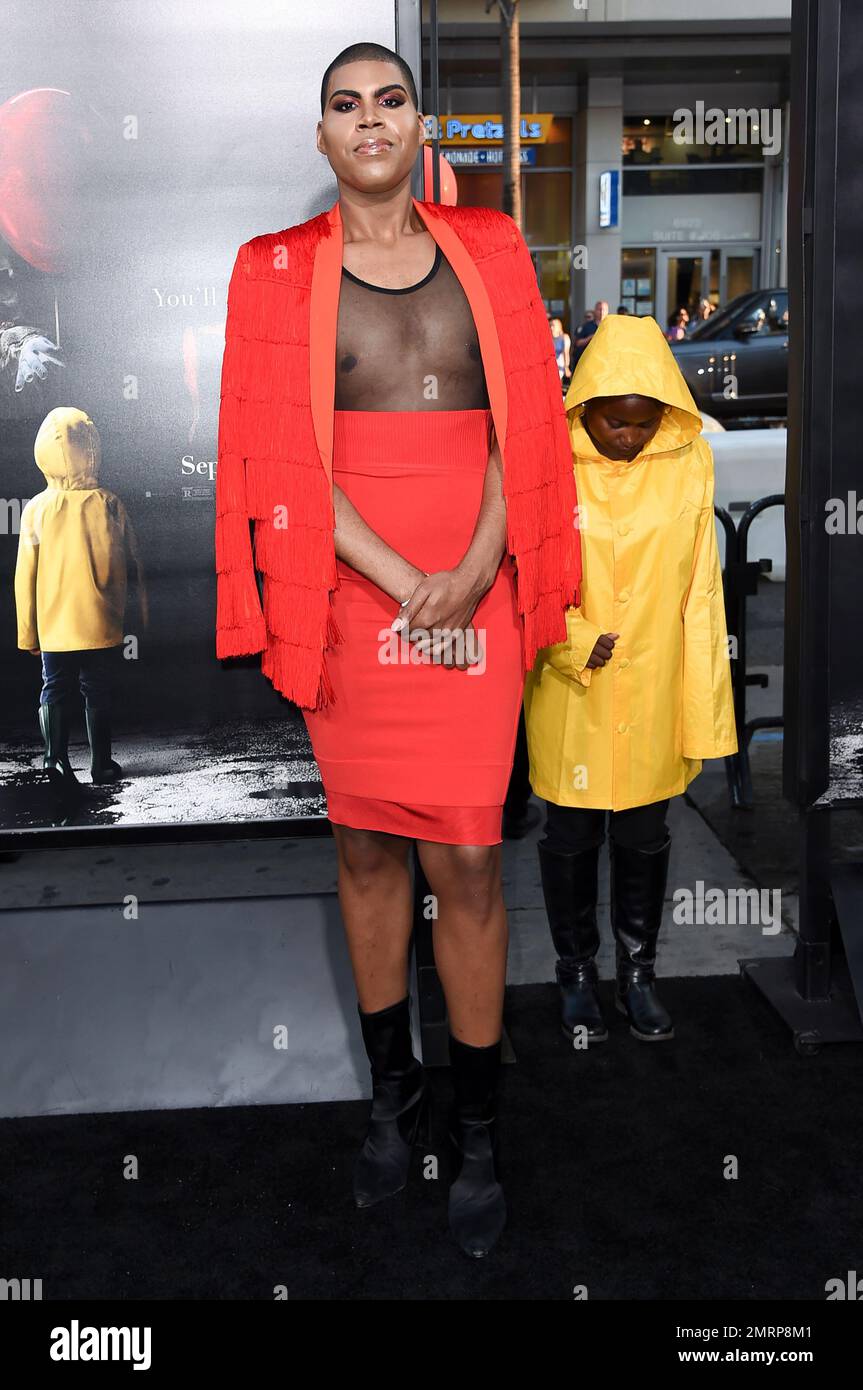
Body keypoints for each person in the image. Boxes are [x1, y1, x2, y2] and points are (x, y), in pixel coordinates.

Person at [214, 42, 581, 1258]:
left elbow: (524, 423)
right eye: (342, 104)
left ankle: (477, 1132)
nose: (367, 119)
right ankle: (391, 1102)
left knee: (470, 861)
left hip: (473, 589)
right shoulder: (272, 271)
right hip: (349, 593)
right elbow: (279, 459)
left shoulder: (490, 250)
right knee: (368, 850)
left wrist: (478, 564)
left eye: (389, 99)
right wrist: (393, 578)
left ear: (421, 126)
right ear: (320, 138)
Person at [523, 314, 737, 1045]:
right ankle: (575, 972)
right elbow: (523, 566)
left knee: (645, 833)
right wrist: (572, 641)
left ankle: (637, 972)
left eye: (643, 424)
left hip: (651, 682)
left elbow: (700, 586)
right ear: (584, 406)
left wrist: (701, 702)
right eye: (616, 422)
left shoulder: (687, 459)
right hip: (571, 686)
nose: (629, 436)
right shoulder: (547, 460)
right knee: (572, 833)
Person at [14, 407, 148, 816]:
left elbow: (25, 577)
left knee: (54, 688)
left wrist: (27, 634)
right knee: (98, 689)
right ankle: (101, 764)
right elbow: (135, 566)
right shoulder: (109, 503)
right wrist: (140, 619)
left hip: (54, 627)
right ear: (91, 450)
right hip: (102, 624)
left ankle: (55, 759)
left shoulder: (36, 508)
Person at [549, 316, 571, 386]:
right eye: (550, 325)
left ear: (559, 327)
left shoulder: (564, 337)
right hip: (550, 367)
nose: (551, 328)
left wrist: (566, 367)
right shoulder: (549, 339)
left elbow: (566, 352)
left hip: (560, 367)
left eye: (553, 325)